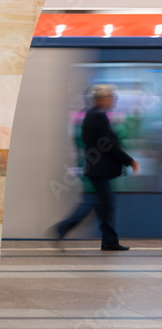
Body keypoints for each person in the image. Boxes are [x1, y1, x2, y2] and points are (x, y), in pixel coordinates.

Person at [54, 84, 140, 251]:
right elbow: (109, 144)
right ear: (102, 99)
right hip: (100, 169)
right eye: (111, 97)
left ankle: (109, 240)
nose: (113, 100)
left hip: (96, 168)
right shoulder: (98, 116)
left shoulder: (92, 115)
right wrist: (130, 161)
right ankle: (65, 228)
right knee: (100, 204)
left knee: (100, 204)